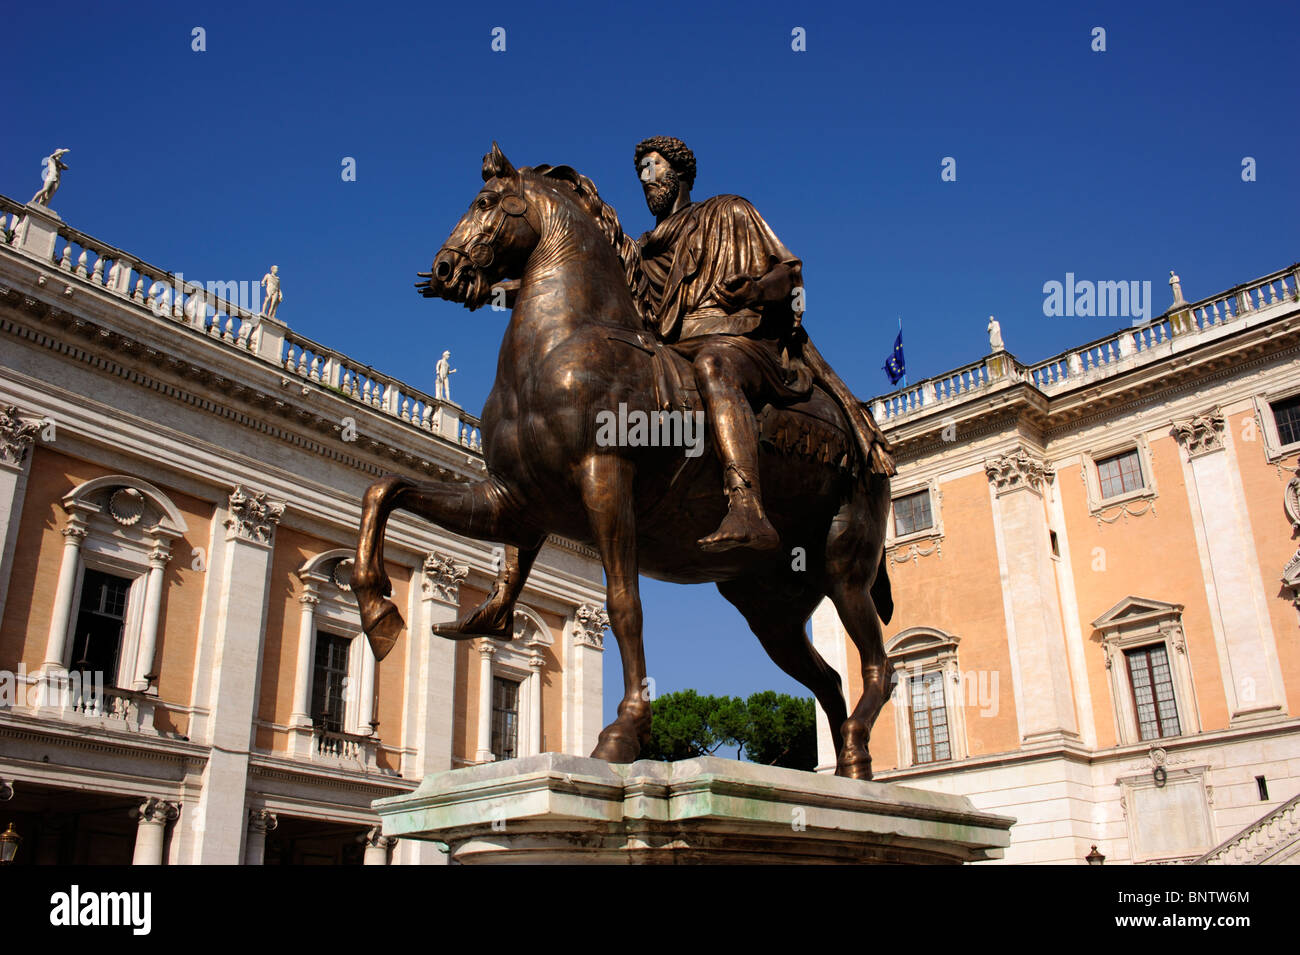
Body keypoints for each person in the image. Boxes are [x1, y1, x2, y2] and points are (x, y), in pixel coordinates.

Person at [633, 136, 893, 553]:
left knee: (714, 365)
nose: (645, 178)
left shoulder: (729, 211)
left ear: (678, 171)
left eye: (653, 166)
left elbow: (787, 276)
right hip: (673, 346)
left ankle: (746, 505)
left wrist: (754, 288)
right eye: (640, 171)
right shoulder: (644, 250)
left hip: (740, 343)